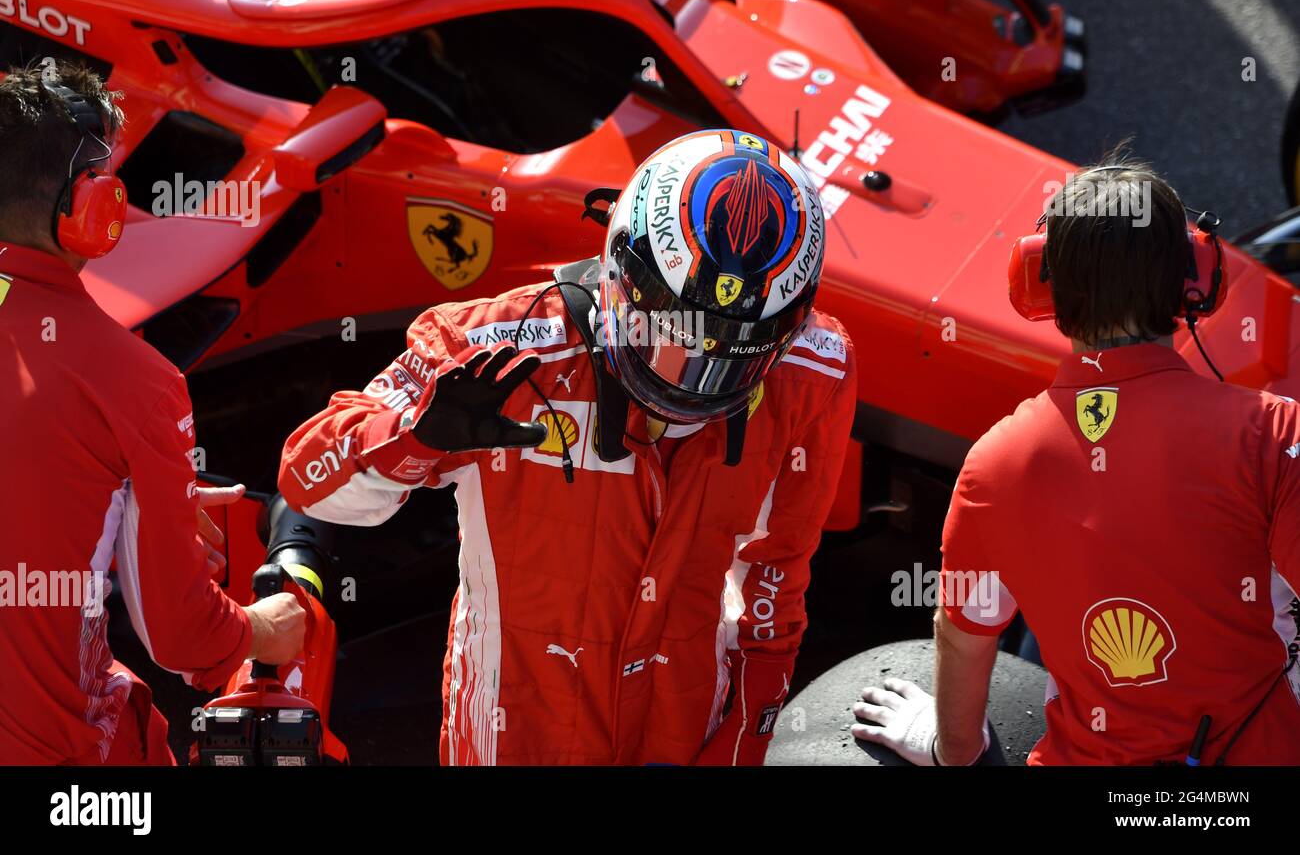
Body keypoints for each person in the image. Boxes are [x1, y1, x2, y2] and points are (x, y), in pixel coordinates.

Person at [279, 130, 857, 765]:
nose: (688, 371)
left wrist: (745, 739)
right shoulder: (496, 348)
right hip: (511, 730)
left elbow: (776, 573)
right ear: (620, 271)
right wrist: (412, 438)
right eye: (670, 336)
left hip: (681, 721)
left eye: (723, 357)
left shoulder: (815, 371)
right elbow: (308, 482)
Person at [852, 156, 1300, 765]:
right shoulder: (1275, 434)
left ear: (1043, 291)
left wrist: (947, 747)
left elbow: (964, 636)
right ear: (1193, 280)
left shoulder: (993, 465)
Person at [0, 63, 305, 765]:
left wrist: (135, 500)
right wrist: (265, 628)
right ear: (92, 205)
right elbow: (182, 637)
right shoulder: (139, 381)